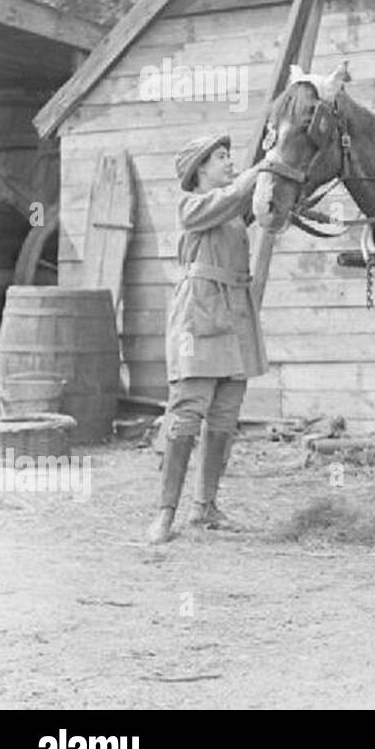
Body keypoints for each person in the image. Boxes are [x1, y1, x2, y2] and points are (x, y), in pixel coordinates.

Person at [147, 135, 273, 544]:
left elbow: (258, 205)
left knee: (224, 417)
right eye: (221, 157)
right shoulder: (194, 206)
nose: (229, 162)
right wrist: (264, 165)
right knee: (187, 414)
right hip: (199, 316)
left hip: (236, 316)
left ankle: (205, 507)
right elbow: (236, 195)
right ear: (199, 169)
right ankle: (166, 514)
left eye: (228, 156)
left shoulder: (233, 210)